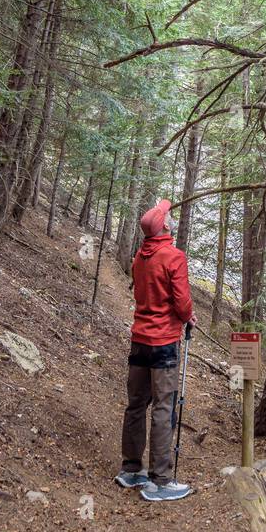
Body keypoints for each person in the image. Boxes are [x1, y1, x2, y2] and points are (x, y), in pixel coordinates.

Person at [115, 198, 197, 501]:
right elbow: (182, 301)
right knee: (163, 407)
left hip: (139, 340)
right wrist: (189, 317)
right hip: (163, 343)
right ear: (163, 226)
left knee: (136, 405)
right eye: (168, 216)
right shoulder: (173, 257)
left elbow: (142, 292)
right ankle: (160, 480)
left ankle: (131, 469)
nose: (171, 218)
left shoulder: (140, 257)